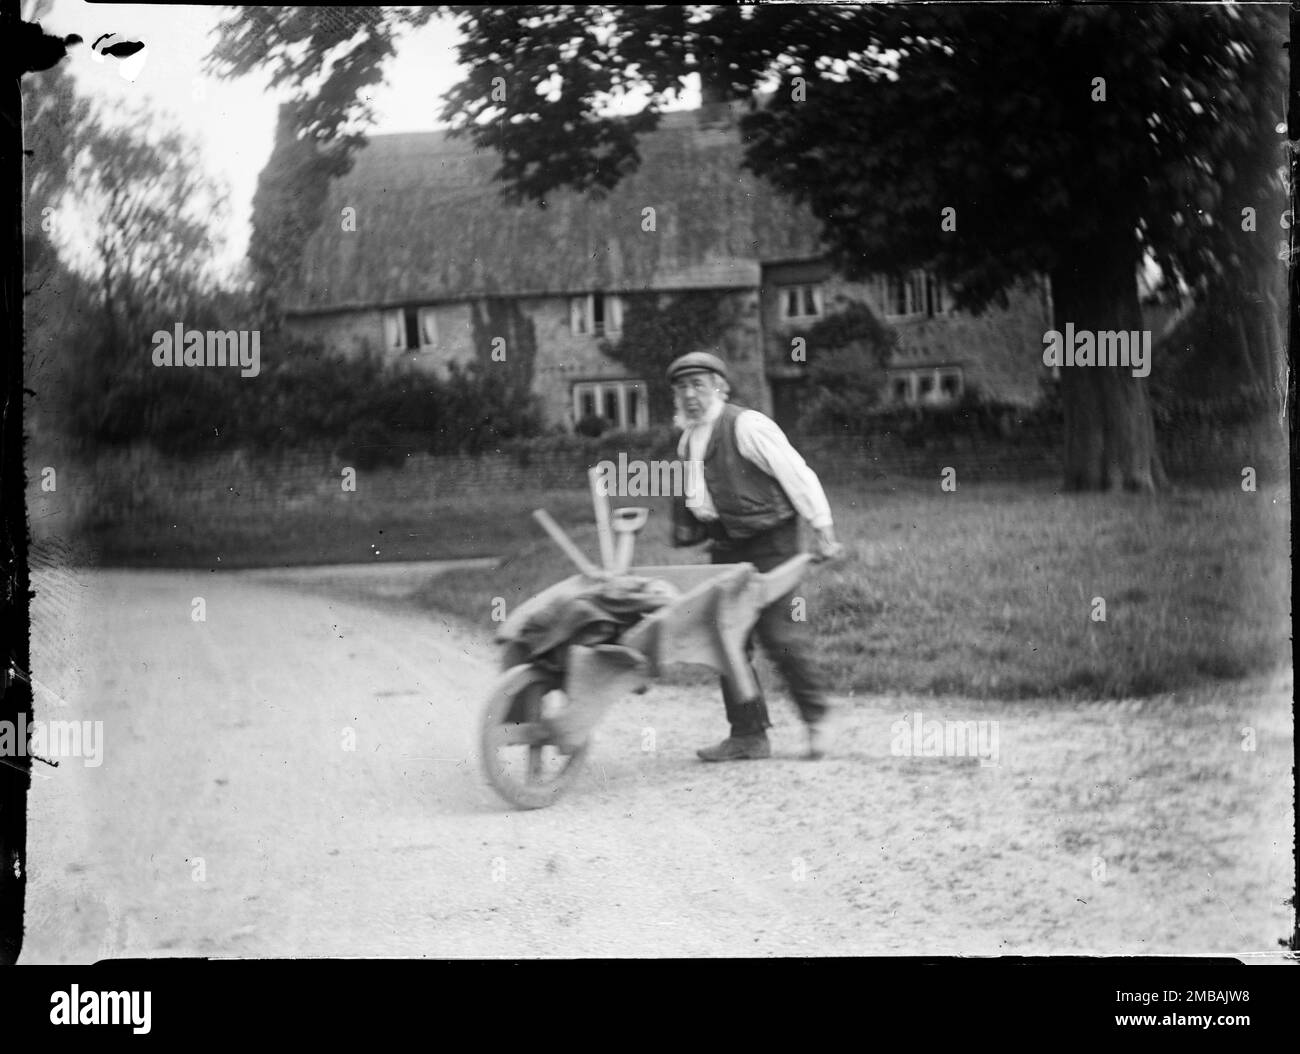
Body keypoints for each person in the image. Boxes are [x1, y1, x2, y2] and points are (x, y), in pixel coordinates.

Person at [666, 351, 844, 761]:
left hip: (771, 542)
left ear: (720, 388)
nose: (690, 395)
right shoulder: (687, 440)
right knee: (724, 638)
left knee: (776, 634)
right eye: (681, 388)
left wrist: (823, 530)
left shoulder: (746, 425)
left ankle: (819, 719)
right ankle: (748, 734)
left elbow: (797, 474)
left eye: (698, 384)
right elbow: (700, 499)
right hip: (728, 546)